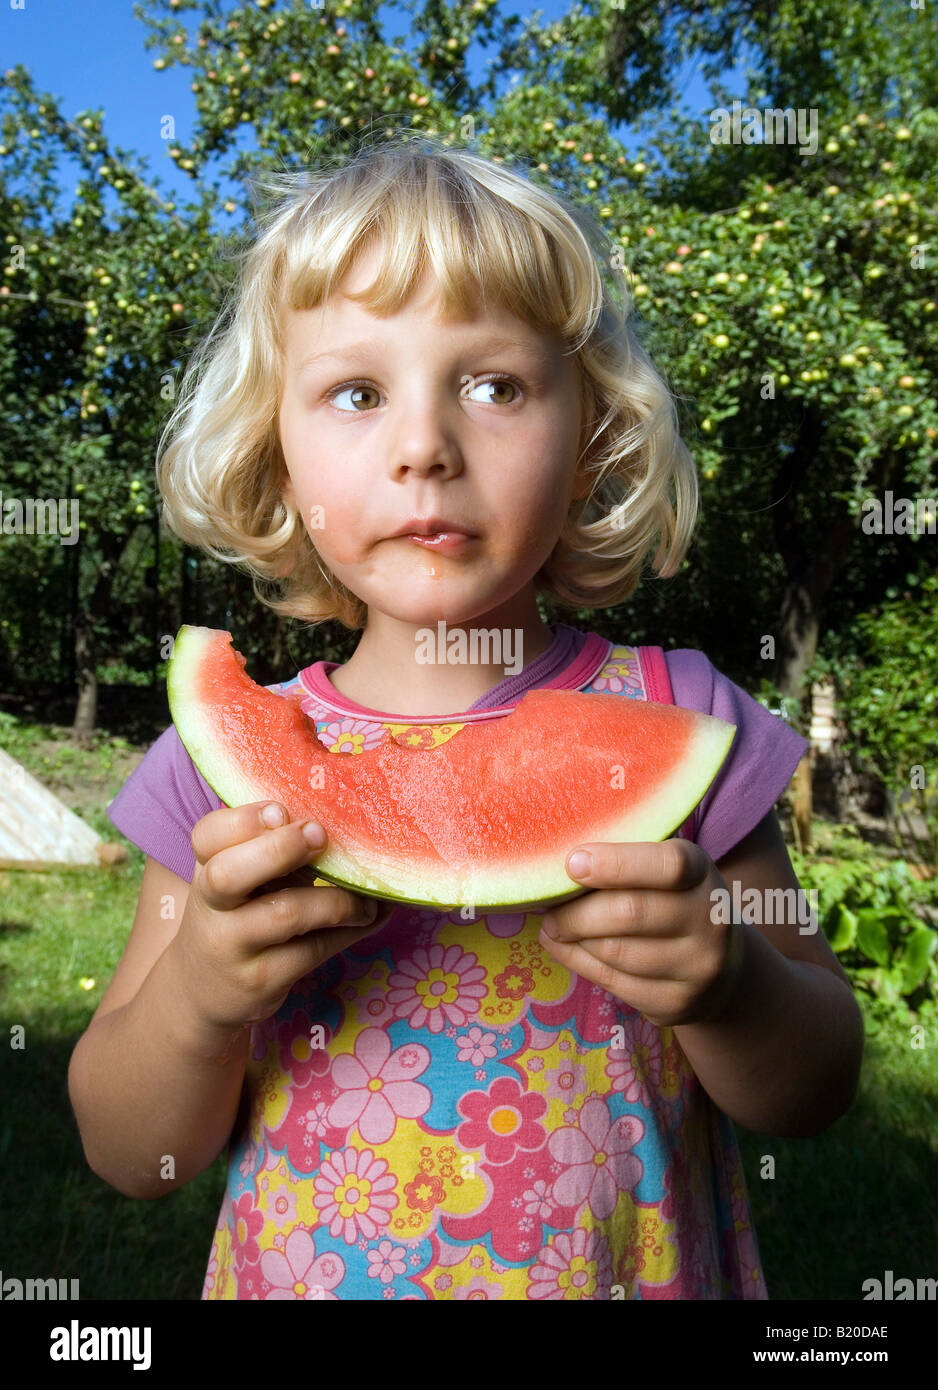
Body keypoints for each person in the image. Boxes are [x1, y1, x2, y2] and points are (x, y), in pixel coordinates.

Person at [67, 138, 864, 1300]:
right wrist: (195, 995)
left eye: (493, 385)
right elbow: (133, 1156)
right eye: (355, 391)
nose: (424, 447)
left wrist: (730, 986)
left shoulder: (685, 723)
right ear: (280, 459)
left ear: (588, 438)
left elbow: (815, 1084)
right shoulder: (211, 775)